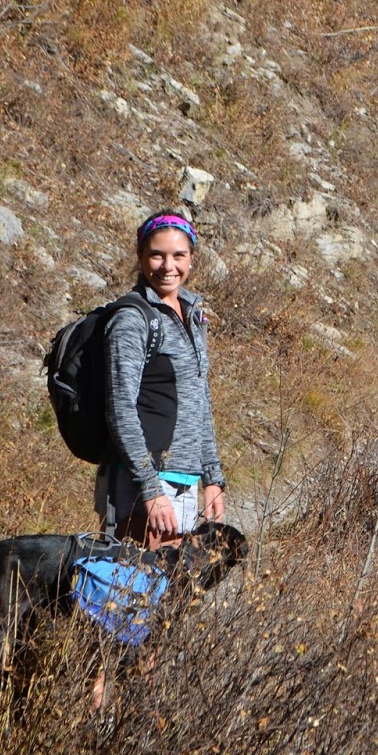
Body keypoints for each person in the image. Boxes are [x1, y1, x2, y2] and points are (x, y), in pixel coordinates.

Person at [96, 210, 226, 548]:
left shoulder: (194, 314)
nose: (168, 266)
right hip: (142, 484)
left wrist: (212, 477)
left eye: (178, 255)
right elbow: (120, 409)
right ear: (140, 256)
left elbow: (201, 399)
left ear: (192, 259)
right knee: (135, 593)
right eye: (157, 255)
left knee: (166, 594)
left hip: (184, 478)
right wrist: (150, 490)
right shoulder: (132, 320)